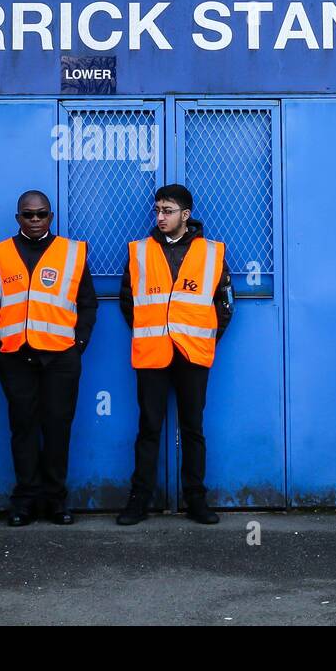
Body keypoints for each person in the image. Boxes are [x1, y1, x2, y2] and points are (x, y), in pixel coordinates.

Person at [0, 190, 97, 526]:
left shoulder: (72, 253)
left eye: (41, 214)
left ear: (50, 217)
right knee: (23, 428)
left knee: (58, 428)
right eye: (27, 215)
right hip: (15, 357)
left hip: (60, 358)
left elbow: (88, 303)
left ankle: (55, 501)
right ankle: (25, 501)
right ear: (18, 217)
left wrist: (79, 343)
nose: (34, 220)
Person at [116, 184, 233, 527]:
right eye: (157, 210)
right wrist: (150, 332)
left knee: (192, 429)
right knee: (148, 428)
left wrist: (205, 338)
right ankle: (139, 502)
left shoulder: (212, 252)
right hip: (153, 352)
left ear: (186, 214)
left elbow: (224, 303)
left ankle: (196, 500)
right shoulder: (139, 251)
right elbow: (129, 301)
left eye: (167, 211)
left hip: (192, 353)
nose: (160, 217)